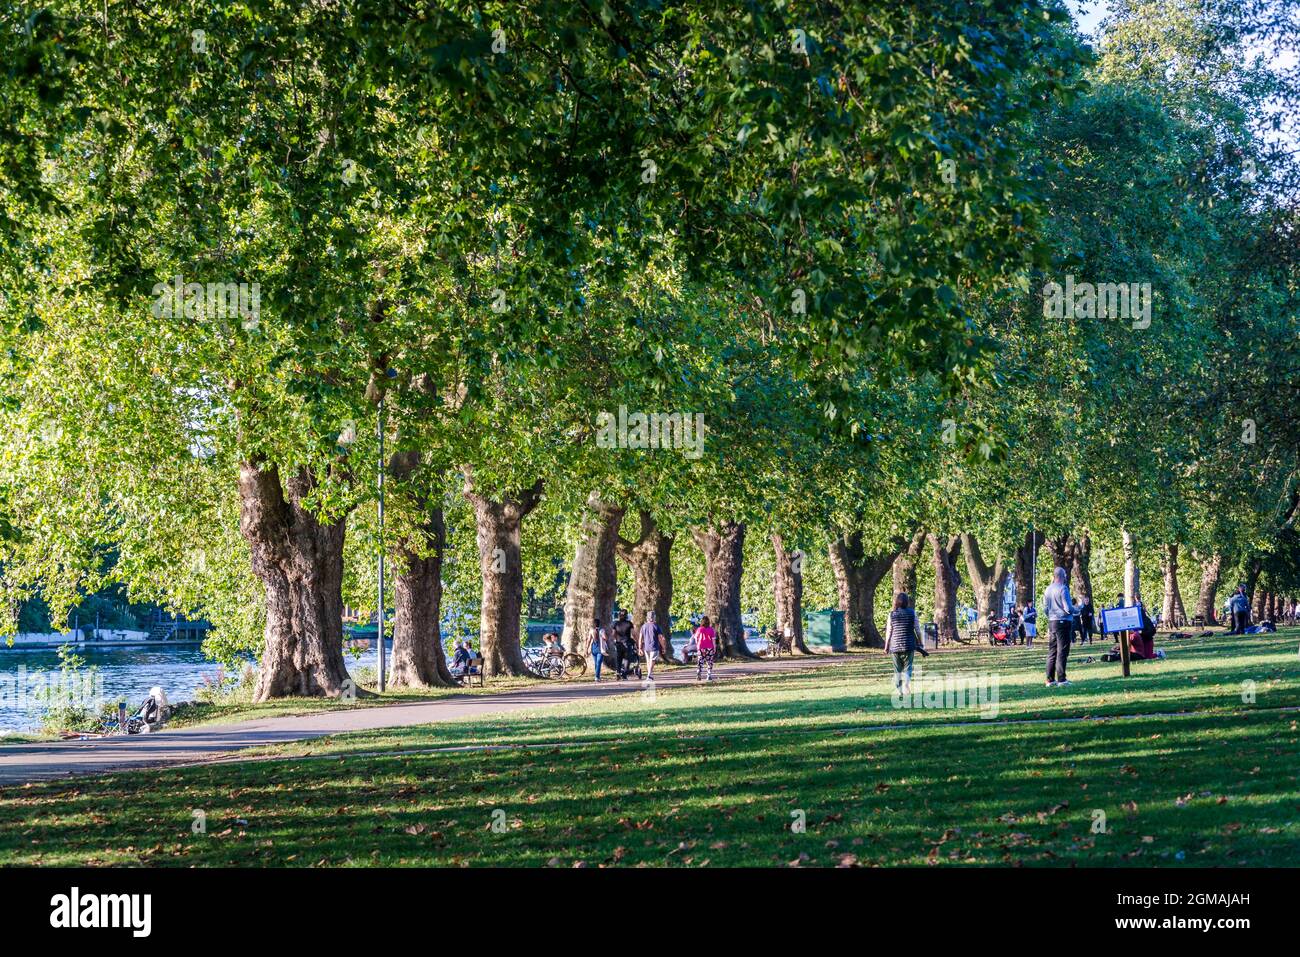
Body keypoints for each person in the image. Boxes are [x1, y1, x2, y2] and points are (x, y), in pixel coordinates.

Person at [1042, 567, 1081, 687]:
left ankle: (1049, 679)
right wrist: (1077, 609)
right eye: (1065, 575)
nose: (1066, 577)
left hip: (1052, 621)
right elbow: (1068, 608)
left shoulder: (1047, 589)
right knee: (1062, 651)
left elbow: (1045, 608)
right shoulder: (1063, 589)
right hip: (1063, 621)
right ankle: (1062, 679)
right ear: (1062, 576)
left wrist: (1051, 615)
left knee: (1052, 650)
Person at [885, 592, 926, 693]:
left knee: (897, 670)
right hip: (908, 645)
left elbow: (889, 631)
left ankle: (899, 690)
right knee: (908, 667)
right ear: (907, 602)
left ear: (897, 602)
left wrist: (886, 646)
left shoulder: (892, 614)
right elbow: (917, 629)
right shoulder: (912, 613)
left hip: (895, 646)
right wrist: (920, 642)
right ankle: (906, 684)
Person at [640, 610, 665, 680]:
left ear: (647, 618)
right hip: (654, 647)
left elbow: (640, 638)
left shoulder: (643, 626)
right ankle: (649, 675)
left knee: (648, 661)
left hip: (646, 647)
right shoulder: (656, 626)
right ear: (654, 618)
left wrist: (640, 648)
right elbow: (660, 638)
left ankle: (649, 675)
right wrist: (663, 647)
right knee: (652, 660)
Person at [612, 610, 636, 680]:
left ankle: (618, 673)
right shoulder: (629, 623)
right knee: (627, 659)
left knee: (619, 659)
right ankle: (624, 675)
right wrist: (636, 641)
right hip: (627, 643)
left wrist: (615, 640)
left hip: (619, 644)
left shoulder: (616, 624)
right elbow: (633, 634)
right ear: (626, 615)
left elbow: (613, 634)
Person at [693, 615, 717, 681]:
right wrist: (714, 647)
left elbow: (695, 638)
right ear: (708, 622)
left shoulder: (699, 629)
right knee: (709, 661)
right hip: (709, 647)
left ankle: (699, 673)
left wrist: (697, 645)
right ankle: (709, 675)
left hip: (701, 647)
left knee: (700, 661)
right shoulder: (711, 629)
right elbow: (713, 640)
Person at [587, 617, 610, 681]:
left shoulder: (591, 630)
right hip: (600, 648)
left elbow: (589, 640)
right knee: (598, 663)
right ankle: (597, 677)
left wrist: (586, 649)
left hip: (593, 648)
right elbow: (605, 638)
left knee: (596, 663)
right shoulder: (602, 630)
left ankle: (597, 676)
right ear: (599, 624)